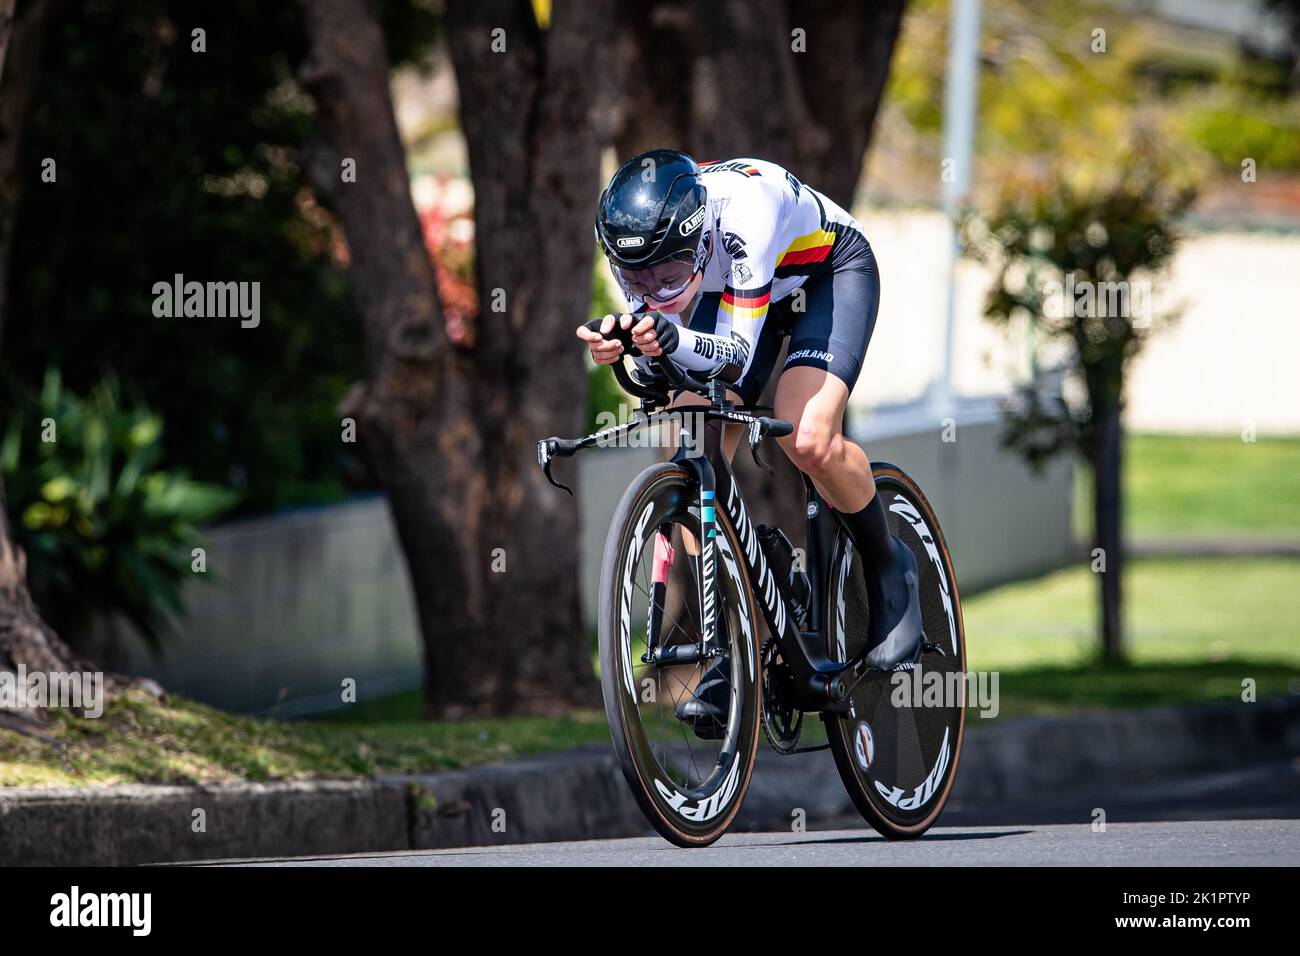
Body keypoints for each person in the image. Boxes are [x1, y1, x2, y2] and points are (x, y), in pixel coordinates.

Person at [577, 149, 920, 737]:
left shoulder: (743, 218)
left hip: (822, 275)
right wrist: (627, 348)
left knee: (807, 438)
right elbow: (669, 365)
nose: (653, 290)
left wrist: (663, 335)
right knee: (690, 453)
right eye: (637, 279)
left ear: (698, 238)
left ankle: (891, 569)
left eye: (666, 276)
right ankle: (749, 648)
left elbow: (733, 359)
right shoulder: (641, 251)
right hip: (731, 298)